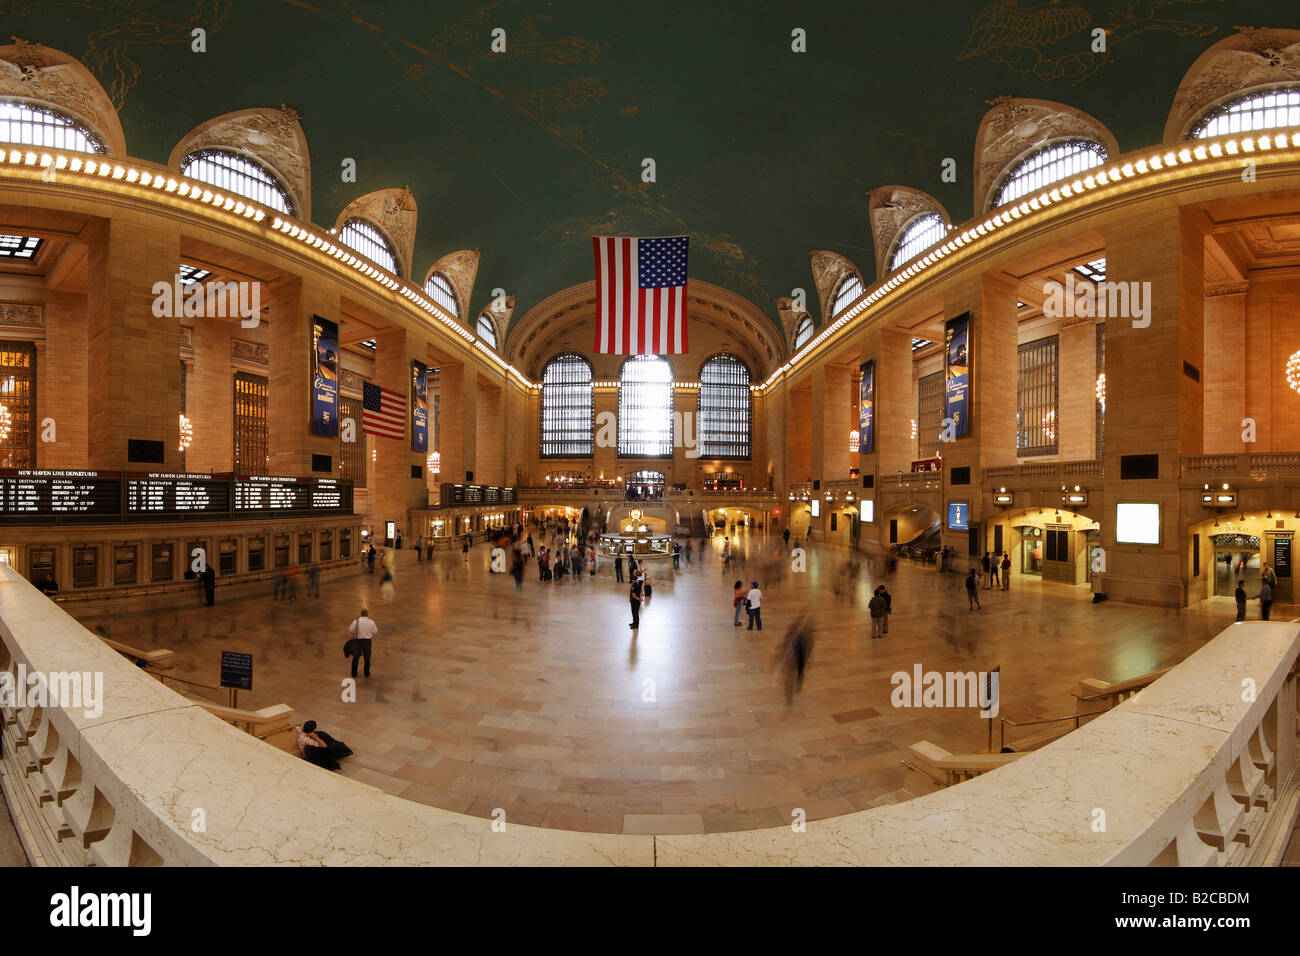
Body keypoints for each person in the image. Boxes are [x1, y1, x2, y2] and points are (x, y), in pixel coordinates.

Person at [776, 613, 815, 705]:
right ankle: (789, 696)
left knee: (798, 673)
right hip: (789, 660)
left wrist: (808, 660)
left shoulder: (804, 637)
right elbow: (784, 643)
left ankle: (798, 681)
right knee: (788, 680)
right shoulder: (790, 634)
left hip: (798, 659)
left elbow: (808, 649)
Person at [347, 608, 377, 678]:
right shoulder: (371, 622)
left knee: (356, 657)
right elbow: (375, 631)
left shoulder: (356, 622)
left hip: (358, 642)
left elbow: (350, 630)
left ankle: (354, 673)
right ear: (367, 614)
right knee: (367, 658)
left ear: (361, 614)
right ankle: (366, 673)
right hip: (367, 642)